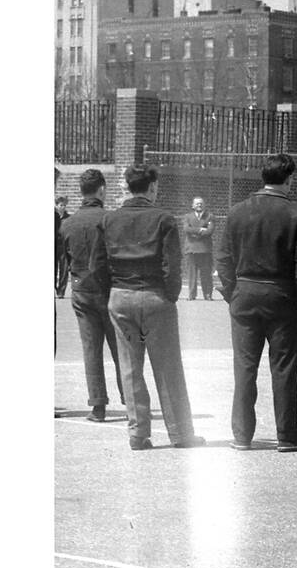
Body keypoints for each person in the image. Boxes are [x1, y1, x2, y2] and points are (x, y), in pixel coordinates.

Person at [91, 163, 204, 450]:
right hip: (154, 296)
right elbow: (172, 264)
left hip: (121, 295)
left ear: (128, 187)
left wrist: (111, 293)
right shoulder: (163, 218)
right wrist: (170, 295)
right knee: (167, 367)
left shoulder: (109, 220)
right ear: (152, 187)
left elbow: (98, 264)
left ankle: (137, 433)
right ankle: (179, 433)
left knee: (130, 367)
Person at [215, 152, 297, 451]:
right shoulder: (296, 214)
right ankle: (286, 435)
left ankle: (242, 435)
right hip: (282, 295)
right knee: (283, 367)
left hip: (245, 294)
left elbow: (223, 258)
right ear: (288, 179)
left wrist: (233, 290)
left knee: (244, 367)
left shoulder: (237, 211)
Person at [58, 169, 122, 422]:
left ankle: (97, 405)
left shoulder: (67, 223)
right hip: (107, 287)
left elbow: (65, 257)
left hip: (81, 288)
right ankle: (131, 399)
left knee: (90, 349)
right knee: (120, 348)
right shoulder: (110, 219)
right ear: (102, 190)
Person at [181, 196, 215, 300]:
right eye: (197, 203)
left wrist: (194, 231)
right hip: (191, 249)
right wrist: (201, 229)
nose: (199, 205)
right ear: (192, 205)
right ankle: (192, 295)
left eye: (201, 203)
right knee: (192, 274)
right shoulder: (187, 216)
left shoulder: (210, 216)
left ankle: (207, 295)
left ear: (204, 205)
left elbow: (210, 231)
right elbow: (186, 229)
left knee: (206, 273)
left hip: (205, 249)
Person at [54, 195, 72, 297]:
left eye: (65, 205)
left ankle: (61, 291)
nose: (63, 207)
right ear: (56, 205)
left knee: (64, 269)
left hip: (64, 246)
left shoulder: (68, 218)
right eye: (61, 205)